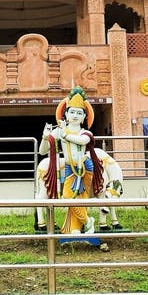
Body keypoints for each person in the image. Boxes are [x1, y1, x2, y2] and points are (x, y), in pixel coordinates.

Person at [39, 87, 104, 234]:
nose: (75, 116)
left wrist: (65, 135)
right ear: (66, 114)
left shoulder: (85, 132)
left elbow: (82, 141)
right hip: (70, 167)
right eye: (72, 112)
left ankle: (75, 228)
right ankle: (88, 222)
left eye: (79, 113)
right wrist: (45, 137)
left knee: (81, 198)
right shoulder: (59, 131)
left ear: (84, 117)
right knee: (68, 197)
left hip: (85, 167)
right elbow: (42, 151)